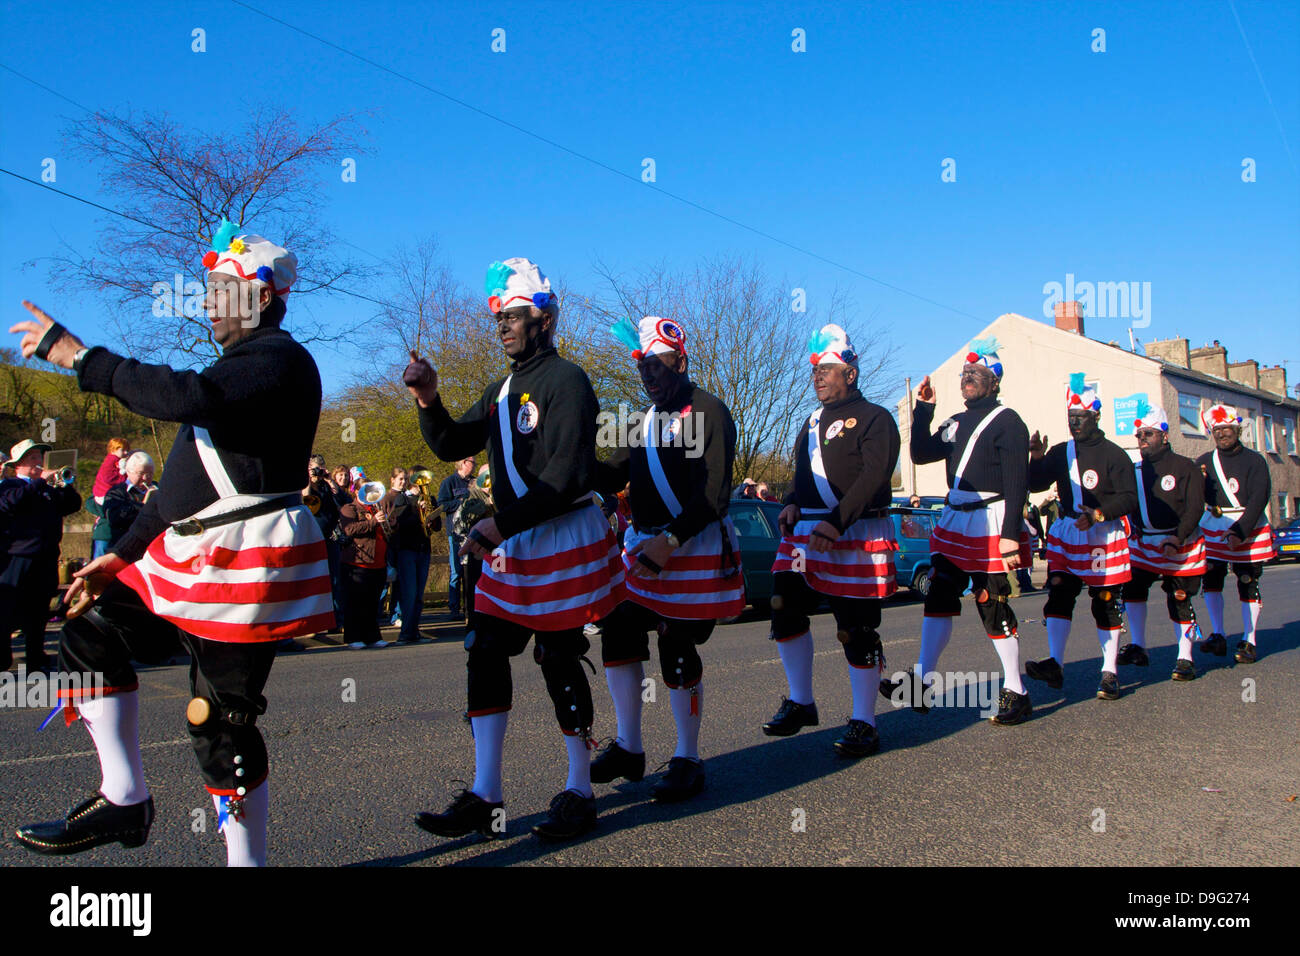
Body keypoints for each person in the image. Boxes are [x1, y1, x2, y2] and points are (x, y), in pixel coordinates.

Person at [9, 220, 332, 865]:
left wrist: (82, 360)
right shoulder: (236, 369)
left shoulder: (279, 361)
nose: (208, 300)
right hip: (194, 559)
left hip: (248, 565)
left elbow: (189, 394)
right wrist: (119, 557)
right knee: (90, 626)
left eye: (219, 289)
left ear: (262, 298)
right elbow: (177, 498)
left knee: (219, 723)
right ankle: (125, 799)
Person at [408, 257, 623, 841]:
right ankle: (486, 792)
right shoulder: (499, 388)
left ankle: (580, 788)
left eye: (514, 316)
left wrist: (503, 524)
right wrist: (429, 398)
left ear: (544, 319)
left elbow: (571, 472)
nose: (503, 325)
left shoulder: (569, 381)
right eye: (498, 316)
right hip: (516, 538)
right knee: (483, 648)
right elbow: (454, 440)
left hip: (559, 533)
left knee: (557, 655)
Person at [589, 314, 743, 799]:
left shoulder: (710, 413)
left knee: (676, 639)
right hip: (647, 546)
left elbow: (715, 495)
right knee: (616, 623)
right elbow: (608, 476)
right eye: (642, 367)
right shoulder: (641, 423)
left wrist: (669, 542)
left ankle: (687, 758)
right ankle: (630, 748)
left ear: (680, 360)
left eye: (656, 365)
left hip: (691, 547)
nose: (648, 375)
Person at [761, 324, 900, 756]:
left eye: (828, 370)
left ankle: (864, 721)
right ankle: (802, 701)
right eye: (815, 371)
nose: (819, 377)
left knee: (853, 627)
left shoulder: (877, 418)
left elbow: (874, 476)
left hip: (853, 532)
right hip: (808, 533)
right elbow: (803, 474)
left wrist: (837, 522)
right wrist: (789, 502)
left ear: (851, 373)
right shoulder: (809, 421)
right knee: (783, 603)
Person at [885, 338, 1033, 725]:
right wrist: (925, 409)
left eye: (977, 374)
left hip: (991, 520)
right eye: (965, 374)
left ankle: (1017, 690)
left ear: (994, 382)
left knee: (991, 601)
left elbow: (1019, 481)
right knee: (939, 593)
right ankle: (921, 681)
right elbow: (919, 453)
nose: (968, 379)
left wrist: (1012, 533)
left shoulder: (1009, 422)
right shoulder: (954, 421)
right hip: (956, 518)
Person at [1024, 374, 1137, 701]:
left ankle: (1110, 671)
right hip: (1070, 532)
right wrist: (1036, 457)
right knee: (1058, 593)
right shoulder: (1060, 452)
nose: (1074, 423)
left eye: (1080, 418)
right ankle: (1055, 664)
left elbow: (1130, 497)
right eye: (1070, 418)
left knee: (1104, 601)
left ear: (1095, 417)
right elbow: (1035, 485)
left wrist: (1100, 514)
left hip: (1102, 533)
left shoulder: (1115, 455)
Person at [1117, 402, 1206, 683]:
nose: (1142, 440)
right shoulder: (1135, 470)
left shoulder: (1185, 467)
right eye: (1139, 435)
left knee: (1179, 598)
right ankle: (1139, 646)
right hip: (1144, 544)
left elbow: (1195, 507)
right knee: (1132, 590)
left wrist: (1177, 537)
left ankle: (1185, 656)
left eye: (1148, 435)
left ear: (1164, 436)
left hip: (1180, 542)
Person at [1195, 403, 1275, 664]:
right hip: (1214, 527)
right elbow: (1195, 496)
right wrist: (1198, 480)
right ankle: (1218, 634)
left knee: (1247, 581)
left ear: (1237, 429)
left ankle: (1249, 640)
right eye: (1217, 430)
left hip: (1247, 525)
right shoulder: (1205, 462)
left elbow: (1259, 498)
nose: (1222, 434)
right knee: (1212, 580)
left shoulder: (1255, 461)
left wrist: (1240, 530)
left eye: (1227, 428)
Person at [0, 438, 82, 672]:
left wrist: (65, 486)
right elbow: (11, 504)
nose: (38, 462)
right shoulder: (9, 486)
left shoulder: (48, 490)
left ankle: (36, 655)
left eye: (39, 457)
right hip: (17, 558)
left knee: (38, 609)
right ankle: (3, 656)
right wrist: (38, 483)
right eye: (33, 458)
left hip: (45, 557)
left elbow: (72, 505)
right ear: (19, 465)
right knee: (7, 609)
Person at [383, 466, 433, 644]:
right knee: (409, 594)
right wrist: (417, 511)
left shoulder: (428, 498)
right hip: (407, 550)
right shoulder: (401, 498)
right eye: (420, 481)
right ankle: (405, 633)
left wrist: (430, 515)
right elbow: (401, 523)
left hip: (423, 549)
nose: (423, 484)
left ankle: (414, 631)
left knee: (419, 595)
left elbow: (436, 527)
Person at [339, 481, 392, 649]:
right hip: (358, 562)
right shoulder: (349, 508)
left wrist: (391, 522)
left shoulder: (375, 509)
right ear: (357, 493)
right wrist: (373, 522)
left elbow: (387, 531)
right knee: (355, 602)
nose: (370, 495)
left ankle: (372, 636)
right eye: (365, 491)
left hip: (378, 562)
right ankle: (353, 637)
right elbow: (349, 529)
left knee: (372, 602)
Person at [437, 456, 476, 618]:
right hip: (455, 532)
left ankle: (471, 606)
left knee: (471, 571)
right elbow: (442, 504)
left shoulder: (475, 482)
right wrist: (460, 502)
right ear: (463, 463)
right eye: (472, 462)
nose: (474, 465)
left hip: (472, 531)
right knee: (456, 571)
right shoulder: (449, 482)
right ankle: (454, 608)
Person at [103, 451, 157, 549]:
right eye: (141, 473)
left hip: (153, 547)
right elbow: (115, 518)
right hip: (126, 548)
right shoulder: (116, 492)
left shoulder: (159, 488)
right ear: (128, 471)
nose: (145, 478)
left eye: (149, 474)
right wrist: (144, 505)